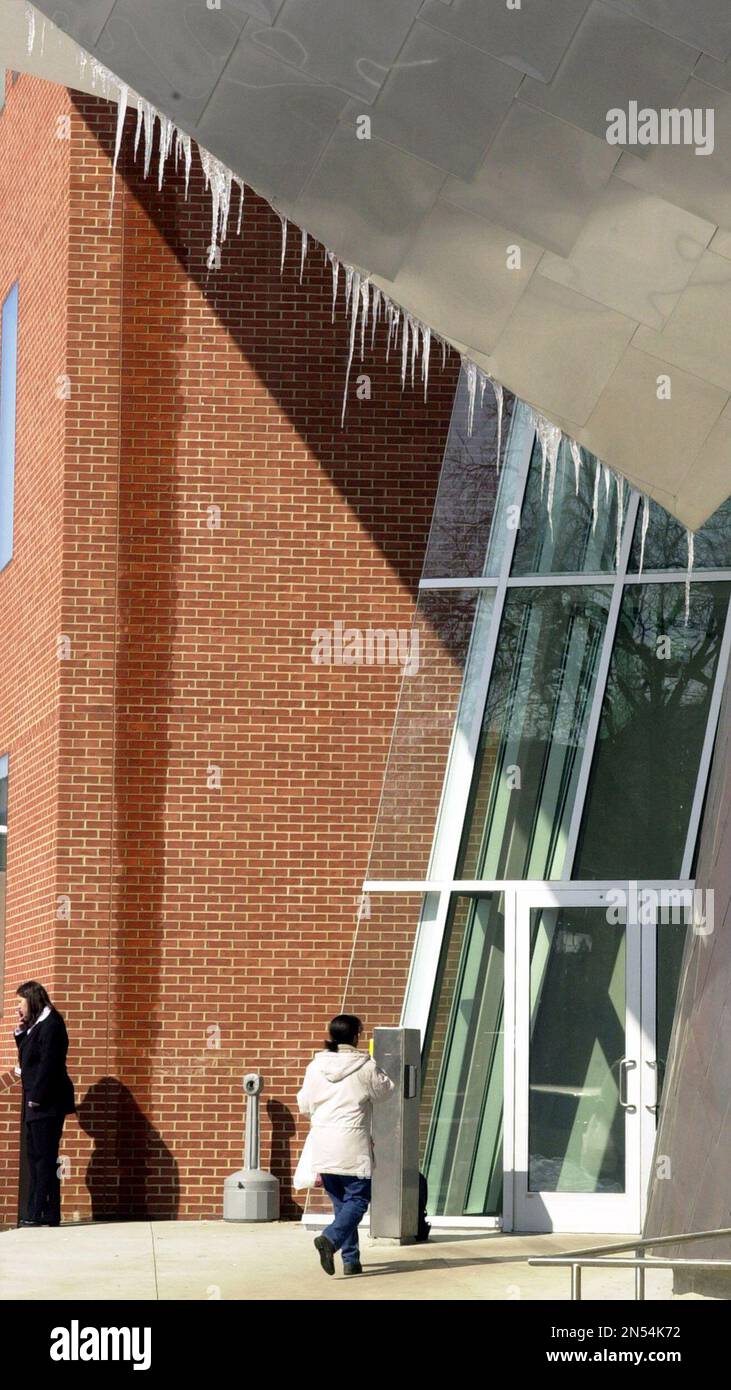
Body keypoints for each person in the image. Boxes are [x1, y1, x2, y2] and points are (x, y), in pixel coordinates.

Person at [297, 1013, 395, 1277]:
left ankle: (351, 1261)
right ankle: (329, 1239)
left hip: (323, 1142)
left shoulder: (315, 1066)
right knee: (359, 1199)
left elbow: (304, 1104)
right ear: (356, 1036)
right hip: (353, 1143)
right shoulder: (365, 1066)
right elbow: (385, 1091)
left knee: (341, 1202)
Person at [14, 981, 76, 1227]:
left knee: (44, 1157)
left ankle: (43, 1212)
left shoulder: (51, 1025)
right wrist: (20, 1033)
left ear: (32, 999)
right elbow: (29, 1059)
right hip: (37, 1102)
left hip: (46, 1103)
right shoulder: (38, 1025)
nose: (17, 1007)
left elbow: (49, 1064)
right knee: (36, 1156)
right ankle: (40, 1210)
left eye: (20, 1001)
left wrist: (36, 1097)